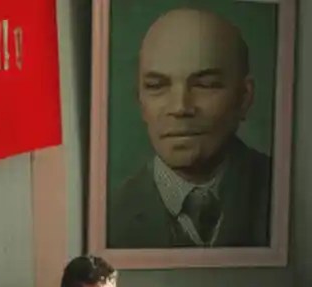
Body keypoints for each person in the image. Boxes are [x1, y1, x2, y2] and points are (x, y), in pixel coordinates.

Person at [108, 8, 272, 249]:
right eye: (157, 86)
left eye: (205, 85)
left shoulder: (284, 196)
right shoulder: (111, 216)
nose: (180, 107)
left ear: (244, 98)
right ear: (140, 101)